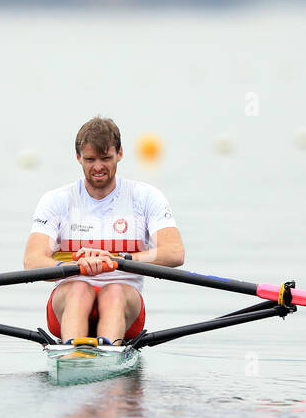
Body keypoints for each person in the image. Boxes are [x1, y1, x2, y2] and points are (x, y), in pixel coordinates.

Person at [23, 116, 185, 344]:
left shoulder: (145, 197)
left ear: (119, 153)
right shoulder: (57, 201)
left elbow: (174, 253)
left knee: (114, 291)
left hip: (126, 304)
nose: (98, 167)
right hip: (67, 301)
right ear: (78, 157)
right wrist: (74, 267)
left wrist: (118, 260)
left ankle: (105, 354)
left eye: (106, 158)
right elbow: (32, 261)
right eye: (90, 159)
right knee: (79, 288)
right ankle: (74, 355)